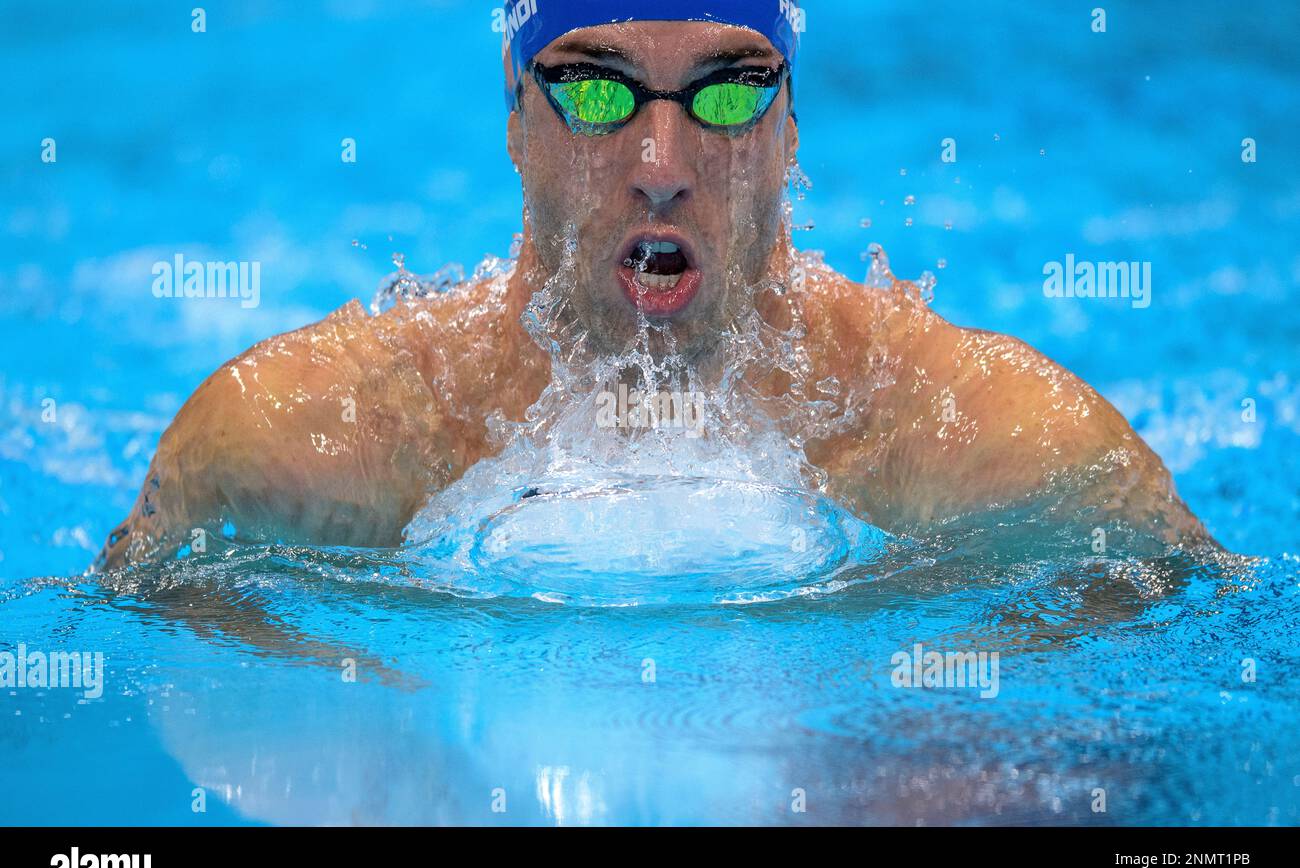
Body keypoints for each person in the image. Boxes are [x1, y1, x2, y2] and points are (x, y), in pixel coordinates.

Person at [97, 0, 1210, 570]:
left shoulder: (997, 452)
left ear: (788, 126)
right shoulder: (299, 447)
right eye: (597, 94)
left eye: (727, 93)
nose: (662, 170)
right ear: (514, 108)